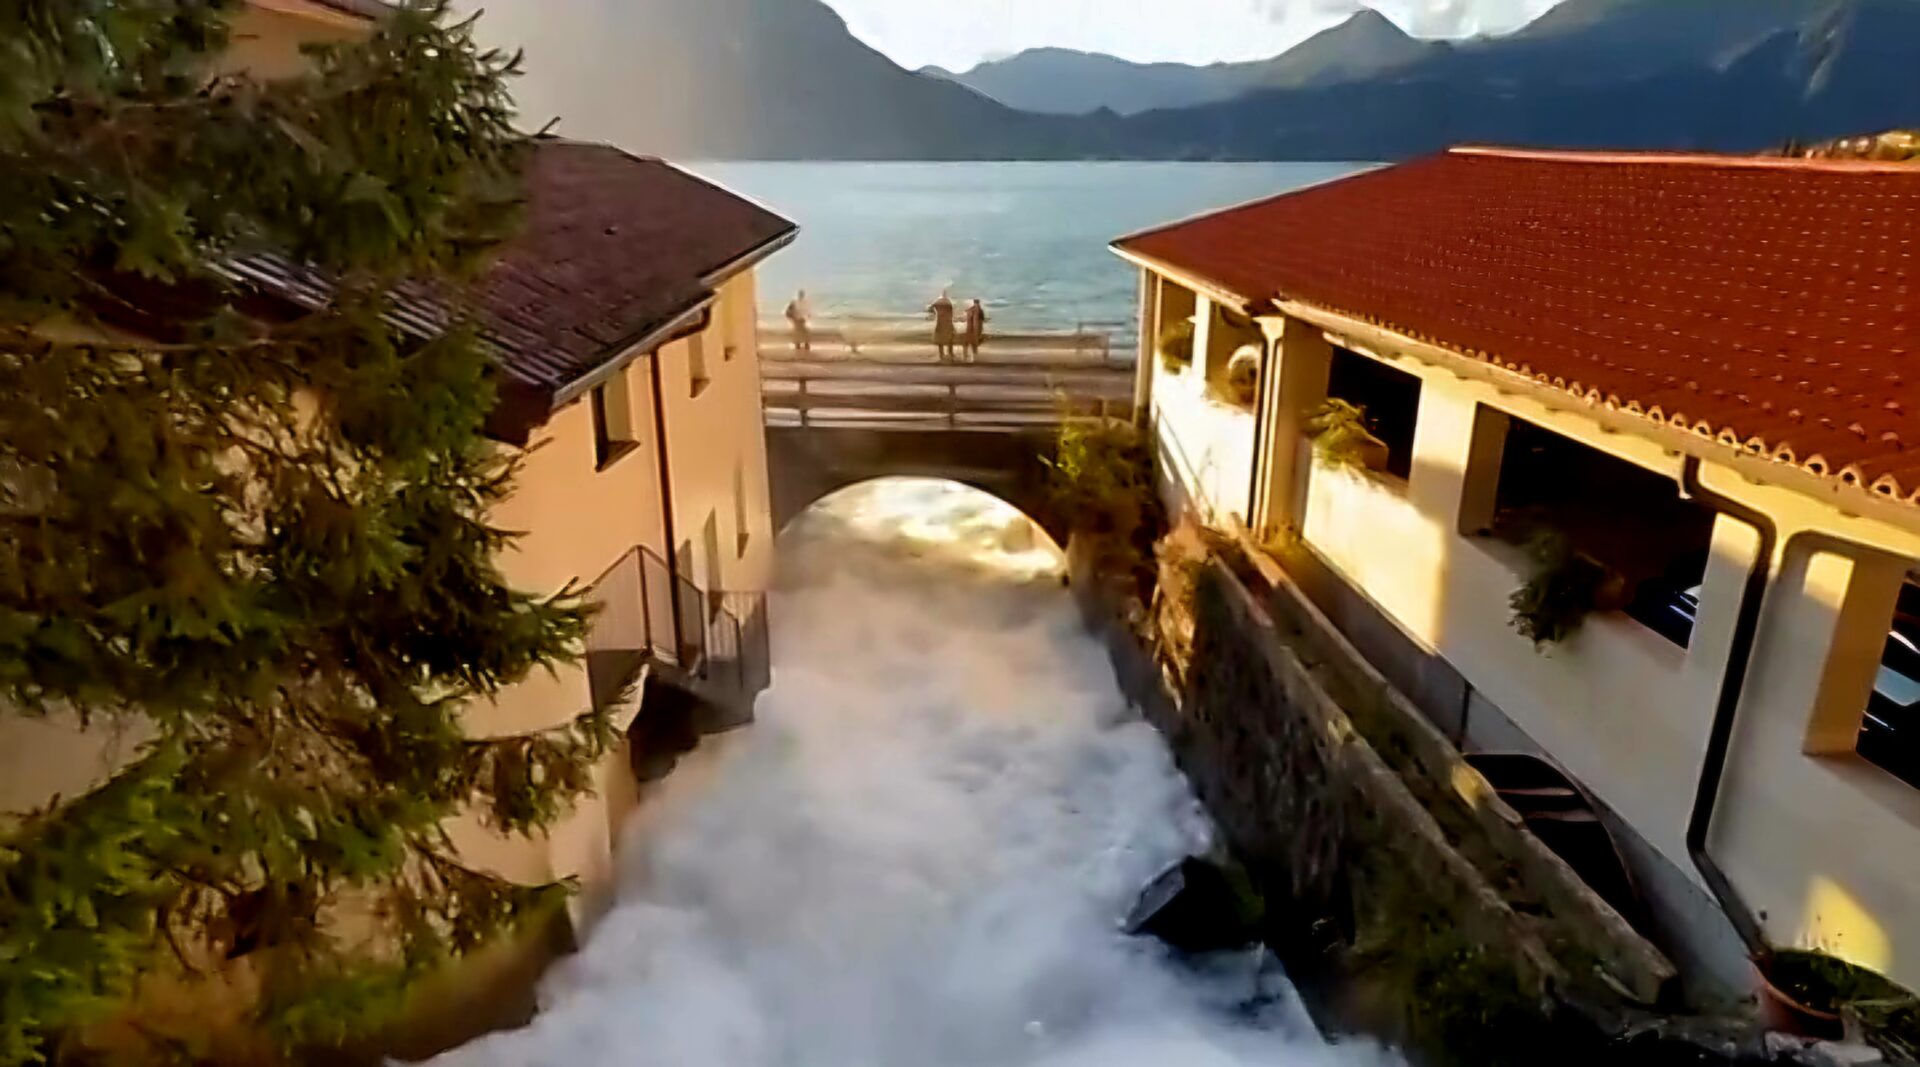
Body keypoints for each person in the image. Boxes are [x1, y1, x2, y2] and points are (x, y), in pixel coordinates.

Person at [928, 289, 956, 362]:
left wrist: (935, 313)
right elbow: (951, 312)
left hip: (939, 322)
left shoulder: (938, 301)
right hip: (947, 322)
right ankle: (950, 354)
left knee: (940, 340)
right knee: (949, 339)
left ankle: (941, 355)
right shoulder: (948, 302)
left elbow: (930, 308)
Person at [962, 298, 988, 363]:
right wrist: (980, 331)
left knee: (967, 343)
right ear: (978, 303)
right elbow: (981, 321)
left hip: (970, 329)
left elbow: (967, 318)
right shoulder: (979, 310)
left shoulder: (970, 310)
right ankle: (972, 358)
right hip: (974, 330)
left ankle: (966, 357)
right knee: (973, 344)